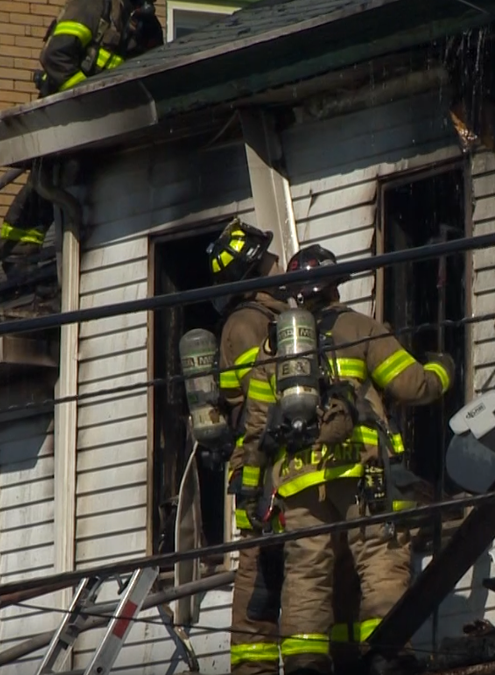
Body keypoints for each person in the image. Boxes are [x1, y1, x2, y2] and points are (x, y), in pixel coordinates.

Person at [239, 244, 456, 675]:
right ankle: (388, 653)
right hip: (360, 468)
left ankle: (304, 663)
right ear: (335, 284)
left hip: (297, 479)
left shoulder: (273, 351)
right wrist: (444, 369)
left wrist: (251, 489)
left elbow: (257, 430)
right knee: (379, 554)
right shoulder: (359, 327)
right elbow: (412, 386)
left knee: (307, 571)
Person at [0, 0, 164, 277]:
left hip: (105, 128)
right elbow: (56, 57)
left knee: (88, 186)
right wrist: (85, 102)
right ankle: (19, 256)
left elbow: (151, 75)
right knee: (52, 183)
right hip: (66, 117)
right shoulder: (93, 7)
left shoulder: (141, 25)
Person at [207, 219, 291, 675]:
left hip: (280, 457)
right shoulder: (246, 324)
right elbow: (262, 397)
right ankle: (253, 668)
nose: (277, 262)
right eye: (268, 257)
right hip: (258, 459)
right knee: (259, 566)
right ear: (255, 268)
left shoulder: (277, 317)